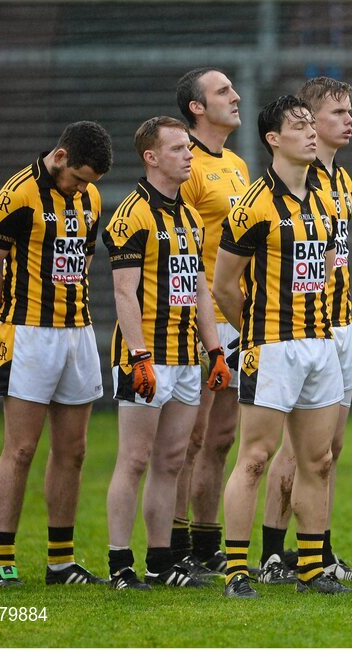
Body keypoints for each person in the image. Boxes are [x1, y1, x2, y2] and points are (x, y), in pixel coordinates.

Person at [215, 95, 352, 597]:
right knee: (255, 458)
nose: (310, 133)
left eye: (310, 125)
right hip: (273, 346)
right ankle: (238, 571)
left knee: (317, 461)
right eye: (298, 126)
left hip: (320, 344)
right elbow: (223, 286)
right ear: (273, 139)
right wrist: (258, 330)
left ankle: (312, 569)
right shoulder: (252, 204)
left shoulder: (325, 198)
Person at [0, 121, 113, 587]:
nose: (82, 188)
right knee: (22, 448)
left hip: (77, 334)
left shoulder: (89, 197)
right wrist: (13, 311)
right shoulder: (16, 196)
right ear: (59, 157)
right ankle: (2, 564)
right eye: (77, 178)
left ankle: (61, 563)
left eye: (89, 182)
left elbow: (84, 259)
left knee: (73, 452)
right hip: (29, 334)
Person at [103, 116, 231, 590]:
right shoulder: (130, 215)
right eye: (178, 149)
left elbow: (198, 288)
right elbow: (123, 293)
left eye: (188, 148)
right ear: (151, 157)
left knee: (172, 459)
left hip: (185, 357)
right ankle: (120, 564)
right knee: (133, 459)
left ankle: (160, 563)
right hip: (147, 357)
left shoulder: (190, 216)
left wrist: (214, 349)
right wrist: (138, 357)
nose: (188, 155)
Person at [257, 77, 352, 583]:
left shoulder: (341, 180)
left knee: (330, 450)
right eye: (337, 113)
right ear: (306, 120)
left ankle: (318, 553)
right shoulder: (295, 181)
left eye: (350, 111)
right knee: (294, 449)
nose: (348, 120)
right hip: (296, 329)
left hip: (338, 322)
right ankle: (271, 554)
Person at [168, 67, 250, 576]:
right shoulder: (186, 165)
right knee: (189, 439)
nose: (236, 96)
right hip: (201, 320)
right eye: (223, 91)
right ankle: (172, 545)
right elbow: (184, 252)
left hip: (237, 315)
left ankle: (205, 542)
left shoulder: (239, 166)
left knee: (221, 439)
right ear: (196, 107)